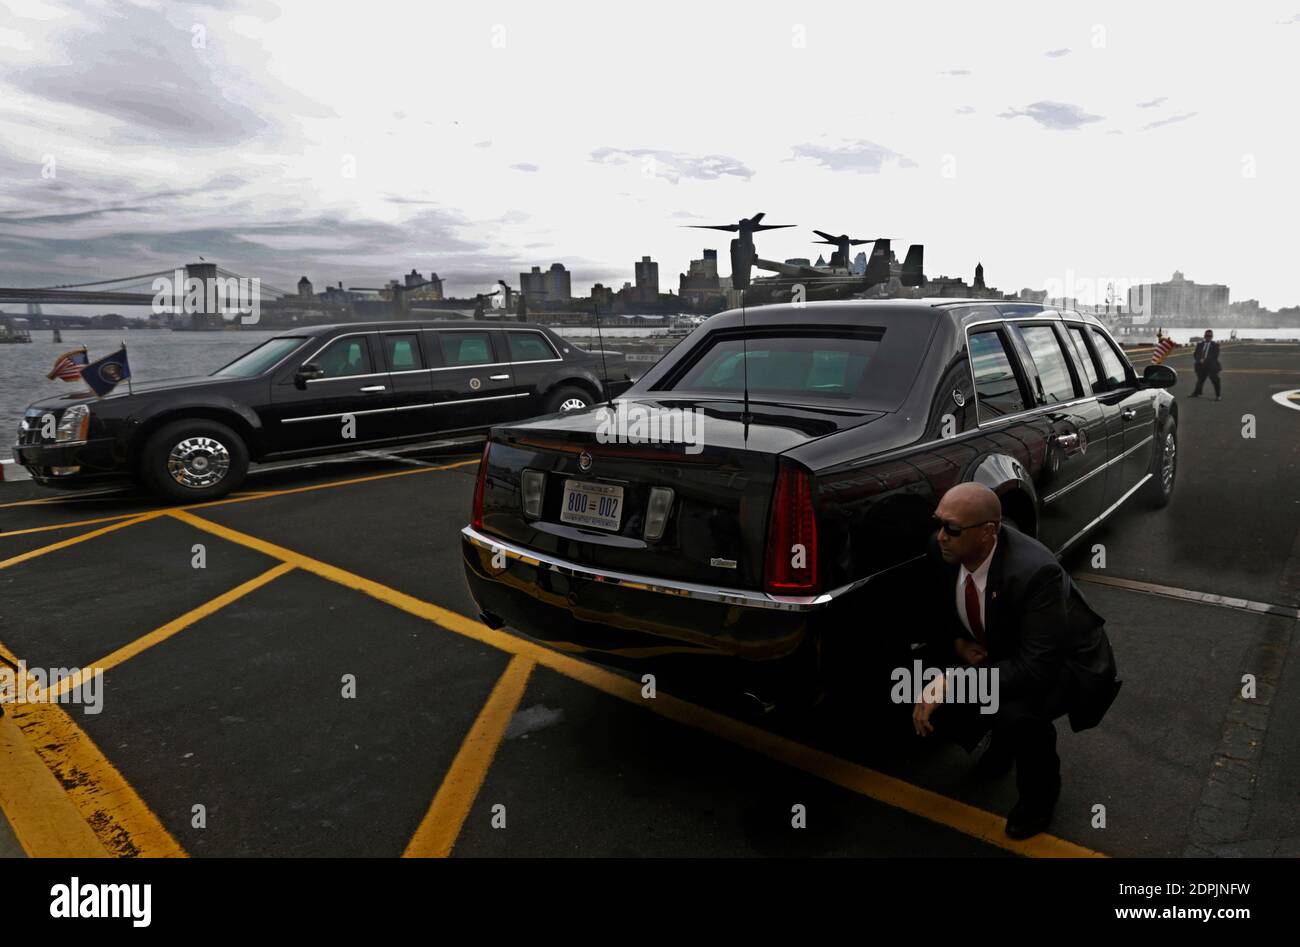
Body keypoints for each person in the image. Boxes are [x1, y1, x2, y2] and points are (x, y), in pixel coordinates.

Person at [912, 483, 1121, 839]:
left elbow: (1035, 670)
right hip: (1006, 644)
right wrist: (957, 644)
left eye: (953, 529)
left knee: (1019, 713)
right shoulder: (943, 550)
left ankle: (1040, 797)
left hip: (1064, 663)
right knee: (914, 679)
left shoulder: (1036, 572)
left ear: (988, 533)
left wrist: (953, 682)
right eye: (939, 523)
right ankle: (1000, 743)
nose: (941, 536)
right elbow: (933, 613)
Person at [1190, 329, 1221, 400]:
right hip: (1200, 366)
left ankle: (1218, 395)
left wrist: (1204, 360)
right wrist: (1199, 360)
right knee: (1200, 380)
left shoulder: (1215, 345)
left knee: (1215, 381)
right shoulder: (1200, 344)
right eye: (1207, 335)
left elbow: (1215, 356)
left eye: (1210, 336)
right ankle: (1196, 393)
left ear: (1212, 337)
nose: (1208, 337)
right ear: (1204, 336)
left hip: (1211, 366)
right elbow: (1195, 354)